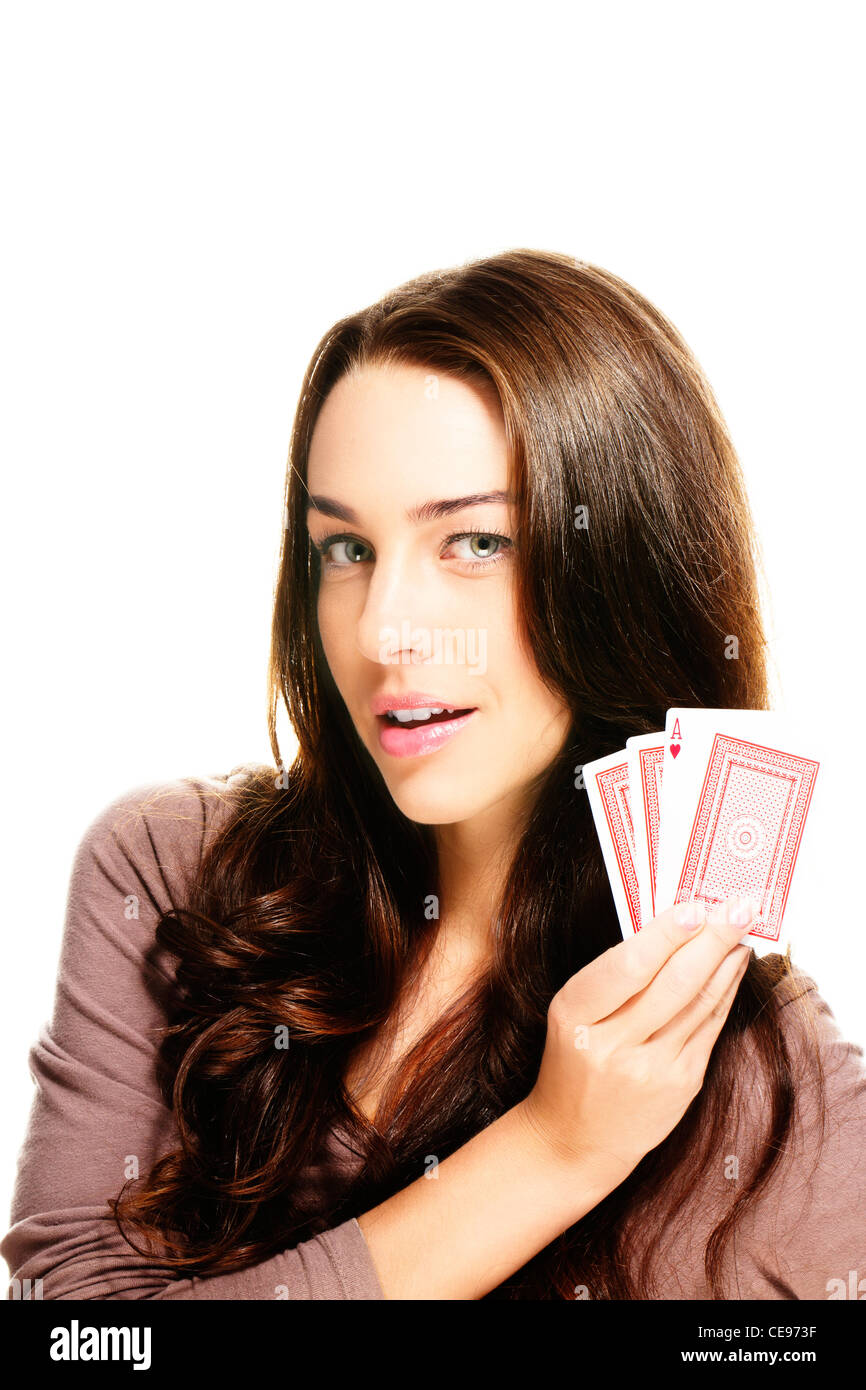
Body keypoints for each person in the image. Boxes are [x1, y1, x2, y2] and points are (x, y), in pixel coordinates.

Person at [4, 250, 864, 1300]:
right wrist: (551, 1151)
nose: (383, 630)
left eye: (472, 541)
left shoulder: (772, 1086)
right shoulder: (168, 876)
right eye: (345, 549)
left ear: (616, 569)